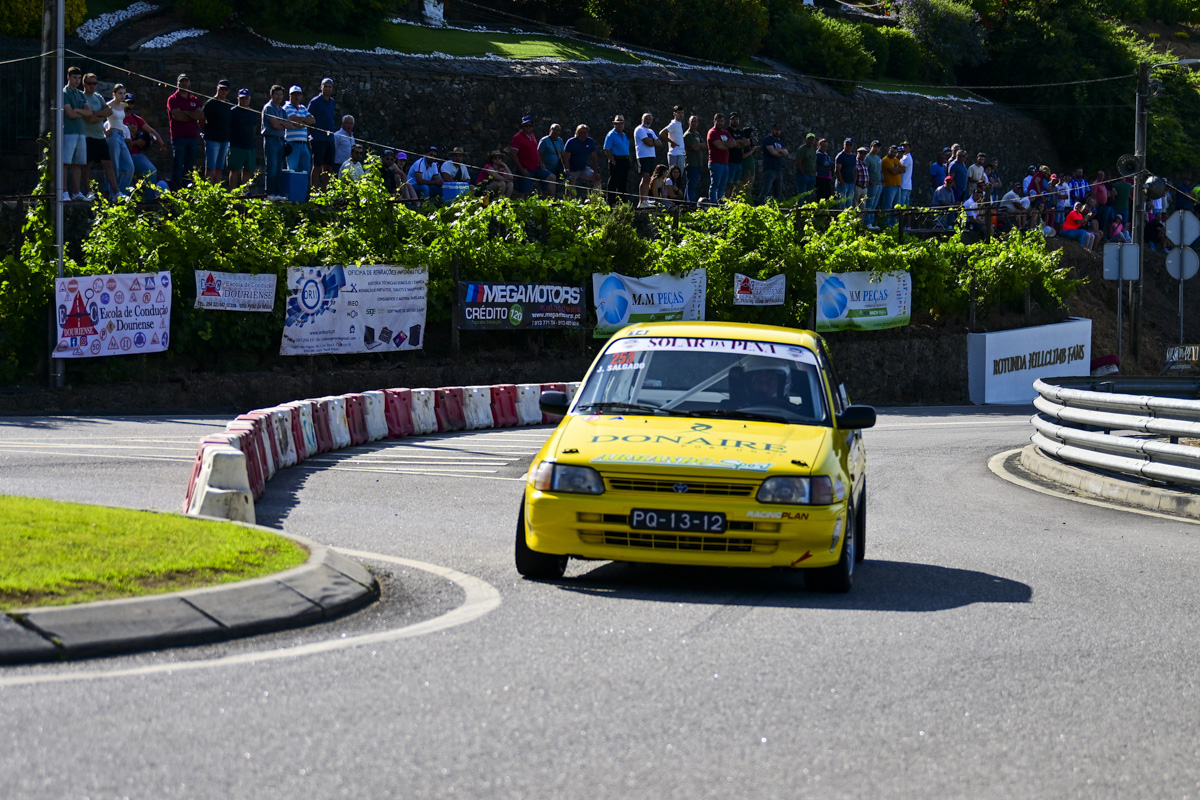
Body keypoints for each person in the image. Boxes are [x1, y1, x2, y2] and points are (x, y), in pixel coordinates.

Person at [122, 92, 166, 197]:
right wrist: (134, 143)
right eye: (126, 103)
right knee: (126, 173)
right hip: (123, 155)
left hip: (136, 154)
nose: (129, 106)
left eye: (131, 103)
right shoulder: (117, 119)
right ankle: (123, 198)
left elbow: (151, 130)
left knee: (151, 170)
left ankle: (149, 199)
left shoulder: (136, 119)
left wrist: (162, 144)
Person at [81, 73, 116, 199]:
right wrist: (98, 115)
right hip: (87, 136)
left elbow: (109, 111)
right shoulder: (81, 97)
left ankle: (116, 192)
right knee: (87, 166)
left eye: (94, 83)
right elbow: (89, 118)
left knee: (108, 164)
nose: (92, 86)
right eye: (89, 83)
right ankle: (89, 192)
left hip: (100, 136)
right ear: (84, 84)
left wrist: (96, 114)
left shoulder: (98, 97)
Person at [166, 73, 203, 188]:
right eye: (181, 81)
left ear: (189, 83)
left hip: (191, 137)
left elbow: (200, 115)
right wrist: (192, 114)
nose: (184, 83)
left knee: (190, 165)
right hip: (178, 137)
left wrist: (185, 112)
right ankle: (176, 189)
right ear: (177, 83)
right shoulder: (172, 99)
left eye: (186, 81)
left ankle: (188, 188)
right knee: (178, 165)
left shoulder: (194, 99)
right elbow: (178, 116)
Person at [61, 66, 91, 201]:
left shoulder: (80, 94)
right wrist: (80, 112)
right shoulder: (64, 93)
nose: (77, 80)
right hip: (68, 132)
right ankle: (64, 191)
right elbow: (70, 114)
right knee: (65, 163)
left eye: (79, 78)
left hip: (81, 132)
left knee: (78, 163)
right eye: (74, 77)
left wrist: (77, 110)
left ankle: (77, 192)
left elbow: (89, 113)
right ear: (68, 78)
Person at [103, 84, 134, 198]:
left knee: (129, 166)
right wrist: (105, 130)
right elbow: (98, 118)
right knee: (114, 166)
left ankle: (121, 192)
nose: (122, 95)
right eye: (120, 93)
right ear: (114, 94)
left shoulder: (123, 105)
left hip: (121, 136)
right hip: (113, 135)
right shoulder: (108, 105)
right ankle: (112, 195)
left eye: (124, 93)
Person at [510, 115, 551, 196]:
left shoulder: (532, 135)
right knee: (523, 191)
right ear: (522, 126)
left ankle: (548, 201)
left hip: (536, 167)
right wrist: (521, 169)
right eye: (526, 125)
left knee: (551, 178)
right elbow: (513, 154)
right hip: (525, 169)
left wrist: (541, 162)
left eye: (530, 125)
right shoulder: (517, 138)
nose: (528, 127)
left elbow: (535, 150)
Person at [308, 78, 337, 190]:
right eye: (325, 86)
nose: (327, 89)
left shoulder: (332, 102)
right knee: (317, 165)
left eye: (329, 87)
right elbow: (309, 118)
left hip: (330, 139)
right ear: (321, 87)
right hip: (318, 138)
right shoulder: (315, 101)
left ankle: (325, 190)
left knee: (328, 166)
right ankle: (314, 191)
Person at [227, 88, 258, 189]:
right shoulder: (232, 111)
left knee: (248, 170)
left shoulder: (252, 113)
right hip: (236, 145)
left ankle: (244, 192)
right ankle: (233, 193)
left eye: (246, 98)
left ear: (249, 99)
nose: (244, 100)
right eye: (242, 98)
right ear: (238, 99)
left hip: (249, 145)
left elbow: (254, 128)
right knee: (235, 169)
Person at [201, 80, 232, 185]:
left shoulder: (228, 104)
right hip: (212, 139)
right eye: (221, 89)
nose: (223, 91)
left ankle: (217, 191)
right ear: (217, 88)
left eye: (226, 89)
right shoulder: (210, 103)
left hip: (224, 139)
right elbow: (201, 119)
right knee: (210, 166)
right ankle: (209, 190)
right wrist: (207, 131)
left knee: (219, 167)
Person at [261, 85, 288, 197]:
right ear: (271, 95)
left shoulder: (282, 110)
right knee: (272, 167)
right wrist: (282, 123)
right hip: (271, 139)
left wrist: (281, 123)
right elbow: (275, 125)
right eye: (276, 94)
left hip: (281, 140)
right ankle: (270, 193)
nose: (279, 97)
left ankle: (277, 192)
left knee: (279, 168)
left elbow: (290, 125)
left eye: (281, 95)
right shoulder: (269, 108)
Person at [282, 85, 314, 175]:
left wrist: (301, 119)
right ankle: (292, 189)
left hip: (304, 144)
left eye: (298, 94)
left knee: (305, 171)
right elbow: (296, 123)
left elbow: (313, 120)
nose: (296, 97)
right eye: (294, 94)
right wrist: (305, 120)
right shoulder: (286, 107)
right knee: (292, 171)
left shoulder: (302, 107)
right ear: (290, 96)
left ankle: (302, 189)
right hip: (292, 144)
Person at [563, 123, 601, 198]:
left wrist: (595, 172)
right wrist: (567, 170)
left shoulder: (590, 142)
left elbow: (594, 157)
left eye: (584, 133)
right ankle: (573, 202)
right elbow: (566, 158)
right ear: (576, 133)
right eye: (580, 132)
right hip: (572, 169)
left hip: (583, 168)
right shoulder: (571, 142)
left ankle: (596, 200)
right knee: (571, 180)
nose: (582, 134)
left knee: (597, 178)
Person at [633, 112, 661, 208]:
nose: (648, 121)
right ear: (642, 119)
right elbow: (648, 142)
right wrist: (654, 142)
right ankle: (642, 201)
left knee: (649, 178)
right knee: (645, 177)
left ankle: (645, 200)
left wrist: (653, 142)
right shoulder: (639, 129)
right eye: (646, 119)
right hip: (643, 156)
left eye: (650, 119)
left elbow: (660, 143)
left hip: (651, 156)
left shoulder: (651, 131)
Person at [603, 115, 631, 205]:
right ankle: (610, 201)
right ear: (614, 124)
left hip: (624, 160)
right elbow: (606, 148)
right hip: (616, 159)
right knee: (613, 181)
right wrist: (612, 160)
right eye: (618, 124)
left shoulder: (624, 135)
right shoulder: (611, 134)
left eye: (621, 124)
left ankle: (622, 201)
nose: (620, 126)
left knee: (623, 181)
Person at [706, 112, 733, 203]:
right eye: (718, 121)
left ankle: (720, 205)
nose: (720, 123)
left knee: (722, 186)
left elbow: (734, 143)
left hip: (725, 163)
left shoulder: (725, 132)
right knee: (715, 185)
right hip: (715, 162)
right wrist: (727, 145)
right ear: (714, 121)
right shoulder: (712, 132)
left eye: (722, 121)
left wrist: (725, 144)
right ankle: (713, 205)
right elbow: (719, 146)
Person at [758, 122, 787, 204]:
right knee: (765, 191)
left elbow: (786, 152)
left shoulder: (779, 141)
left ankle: (776, 209)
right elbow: (773, 153)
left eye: (779, 130)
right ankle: (759, 206)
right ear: (772, 130)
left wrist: (778, 151)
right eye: (775, 130)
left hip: (778, 169)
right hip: (769, 169)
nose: (777, 132)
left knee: (778, 193)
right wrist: (780, 152)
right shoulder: (768, 140)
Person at [725, 113, 751, 199]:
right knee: (729, 184)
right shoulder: (727, 131)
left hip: (739, 162)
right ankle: (726, 202)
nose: (735, 121)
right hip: (730, 161)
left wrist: (737, 142)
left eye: (737, 119)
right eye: (733, 119)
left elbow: (746, 143)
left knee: (737, 185)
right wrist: (739, 143)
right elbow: (733, 144)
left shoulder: (740, 132)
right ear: (729, 120)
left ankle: (733, 202)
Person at [537, 124, 566, 197]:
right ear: (550, 130)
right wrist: (541, 163)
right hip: (545, 168)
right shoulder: (544, 140)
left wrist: (566, 167)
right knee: (545, 188)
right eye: (554, 129)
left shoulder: (560, 140)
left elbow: (563, 155)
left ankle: (553, 200)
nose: (556, 132)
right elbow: (538, 153)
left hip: (555, 168)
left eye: (558, 130)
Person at [683, 115, 706, 204]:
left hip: (698, 163)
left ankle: (686, 203)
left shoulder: (697, 134)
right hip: (691, 163)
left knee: (691, 185)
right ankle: (691, 204)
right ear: (689, 123)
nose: (694, 123)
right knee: (691, 185)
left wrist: (699, 145)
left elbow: (704, 145)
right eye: (692, 121)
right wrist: (699, 145)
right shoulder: (688, 135)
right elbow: (695, 147)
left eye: (695, 121)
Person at [879, 144, 903, 225]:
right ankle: (886, 223)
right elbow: (893, 171)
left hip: (897, 186)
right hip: (889, 186)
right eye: (892, 152)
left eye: (895, 152)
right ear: (888, 151)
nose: (893, 154)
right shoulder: (885, 160)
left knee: (896, 206)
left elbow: (904, 169)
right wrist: (897, 170)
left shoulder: (896, 160)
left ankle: (894, 224)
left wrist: (897, 169)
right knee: (888, 206)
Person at [661, 105, 686, 175]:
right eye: (679, 113)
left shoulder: (679, 124)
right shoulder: (673, 124)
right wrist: (672, 142)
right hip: (674, 153)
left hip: (680, 153)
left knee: (679, 177)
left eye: (682, 113)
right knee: (674, 176)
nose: (681, 115)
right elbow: (662, 133)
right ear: (674, 114)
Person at [863, 140, 882, 224]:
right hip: (872, 184)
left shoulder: (878, 158)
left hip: (879, 184)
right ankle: (867, 222)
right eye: (874, 147)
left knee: (875, 204)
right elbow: (866, 172)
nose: (876, 149)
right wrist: (871, 182)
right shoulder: (867, 157)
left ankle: (872, 222)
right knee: (869, 204)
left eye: (878, 147)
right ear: (871, 147)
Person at [834, 138, 856, 208]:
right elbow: (837, 170)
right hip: (843, 184)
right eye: (847, 144)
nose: (849, 146)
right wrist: (841, 181)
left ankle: (847, 219)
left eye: (850, 145)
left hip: (851, 184)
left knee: (849, 204)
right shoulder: (840, 156)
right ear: (844, 145)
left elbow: (855, 170)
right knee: (841, 204)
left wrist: (854, 182)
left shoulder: (853, 157)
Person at [796, 133, 818, 200]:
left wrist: (814, 173)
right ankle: (801, 208)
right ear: (806, 140)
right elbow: (798, 162)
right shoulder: (802, 149)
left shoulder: (813, 150)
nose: (811, 141)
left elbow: (814, 161)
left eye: (812, 139)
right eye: (809, 139)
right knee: (802, 195)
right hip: (804, 176)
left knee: (809, 195)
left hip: (811, 176)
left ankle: (807, 209)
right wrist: (803, 173)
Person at [898, 142, 914, 207]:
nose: (903, 148)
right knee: (906, 207)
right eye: (902, 146)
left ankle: (900, 217)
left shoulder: (906, 158)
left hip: (903, 185)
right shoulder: (906, 157)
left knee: (902, 206)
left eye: (905, 147)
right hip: (907, 185)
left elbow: (901, 169)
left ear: (910, 149)